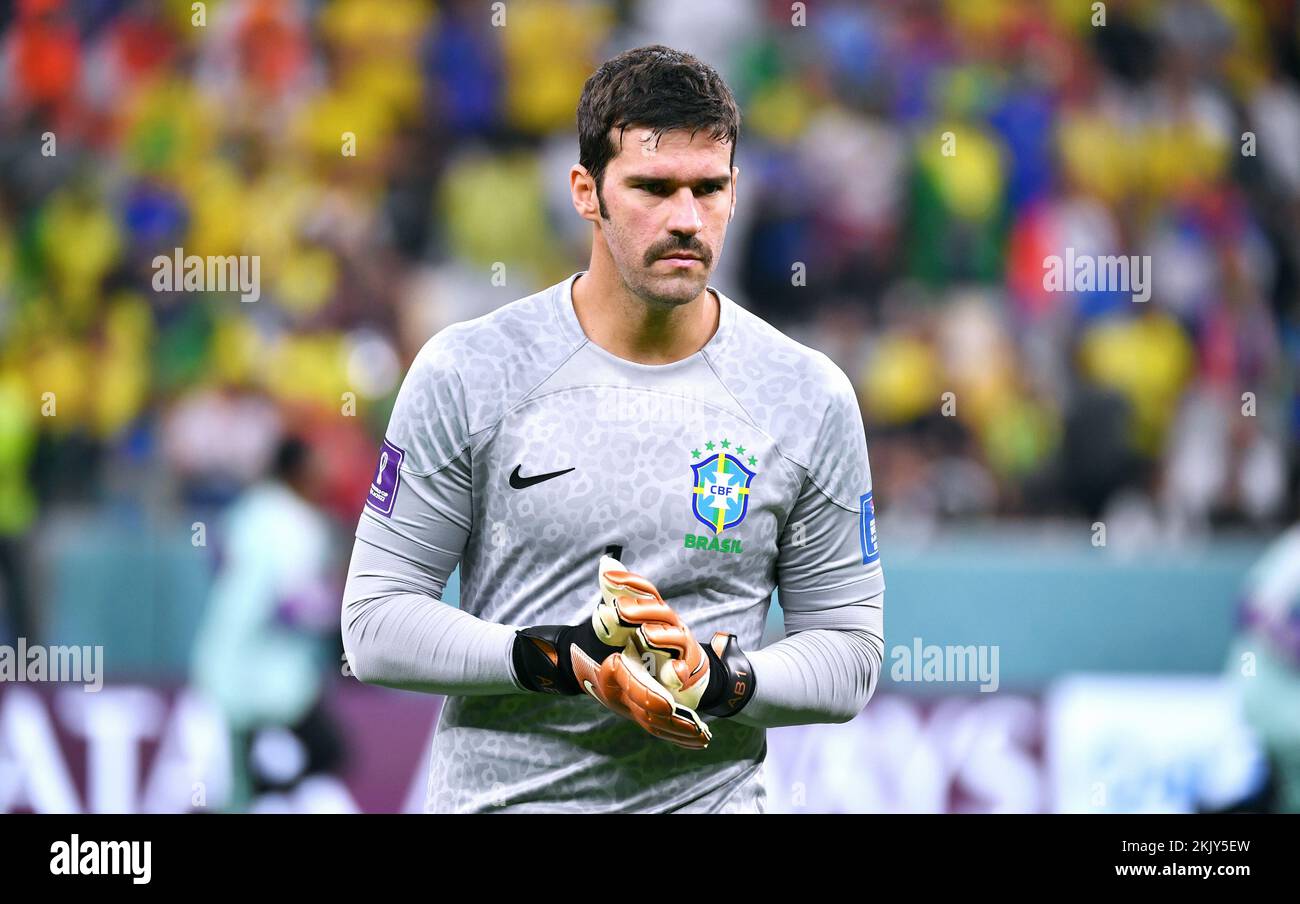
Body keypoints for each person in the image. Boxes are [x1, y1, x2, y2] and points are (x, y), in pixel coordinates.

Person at [341, 45, 885, 813]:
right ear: (586, 193)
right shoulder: (471, 370)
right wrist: (552, 659)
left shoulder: (806, 396)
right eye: (653, 189)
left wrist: (722, 679)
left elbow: (851, 655)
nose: (686, 219)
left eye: (710, 188)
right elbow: (373, 626)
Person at [193, 435, 345, 811]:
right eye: (315, 466)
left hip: (222, 658)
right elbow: (291, 604)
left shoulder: (251, 509)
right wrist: (343, 610)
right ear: (297, 471)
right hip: (270, 675)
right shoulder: (297, 523)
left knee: (240, 774)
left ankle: (260, 794)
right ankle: (266, 793)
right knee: (329, 749)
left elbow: (218, 557)